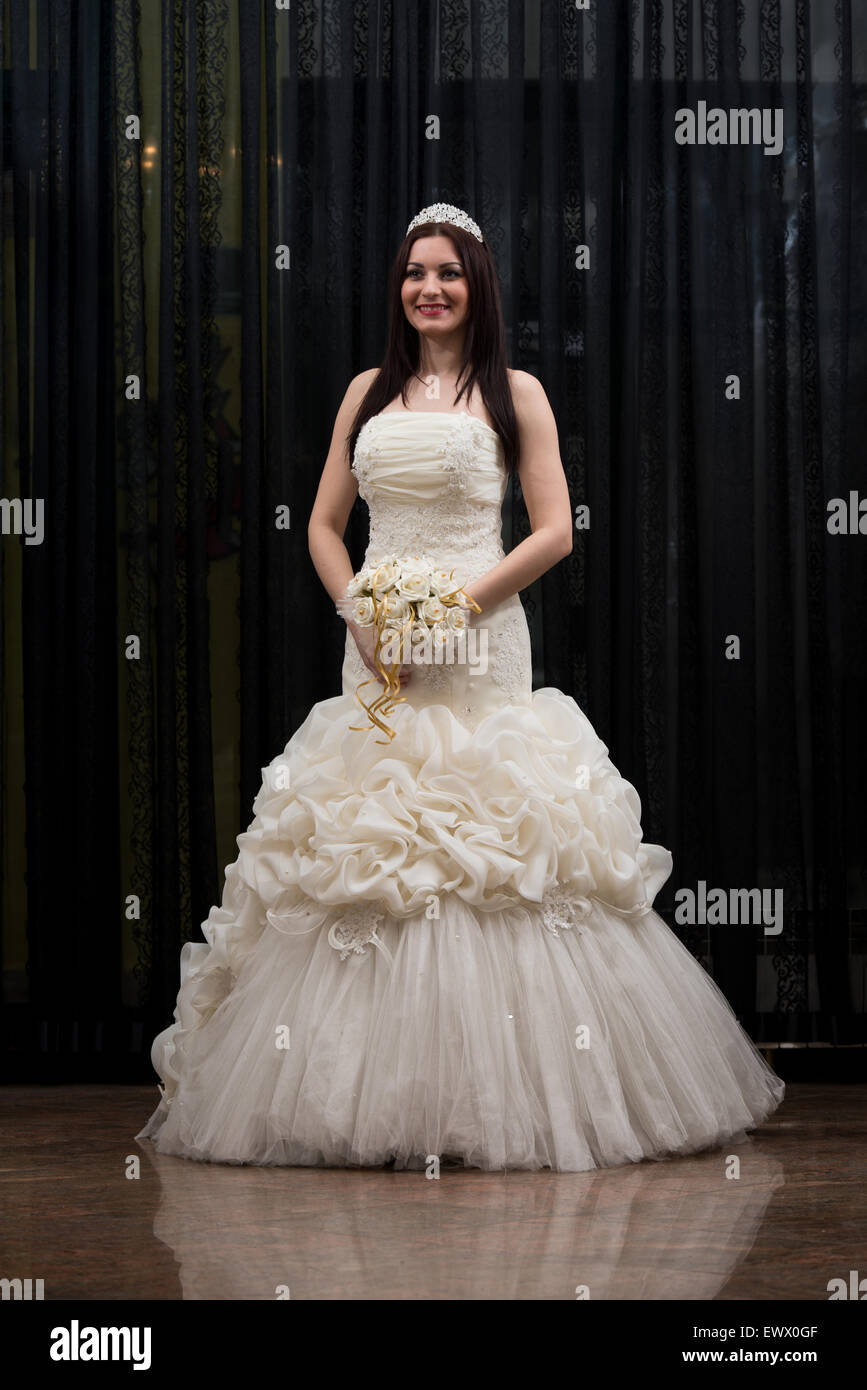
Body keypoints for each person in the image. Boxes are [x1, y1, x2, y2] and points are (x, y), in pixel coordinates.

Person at [137, 203, 784, 1171]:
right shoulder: (366, 390)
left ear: (477, 285)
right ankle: (367, 1100)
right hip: (379, 645)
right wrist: (358, 609)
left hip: (480, 640)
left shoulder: (514, 390)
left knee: (486, 846)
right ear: (397, 289)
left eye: (448, 272)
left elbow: (556, 529)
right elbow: (322, 523)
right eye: (413, 273)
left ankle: (509, 1104)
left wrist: (455, 609)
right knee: (376, 844)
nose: (428, 287)